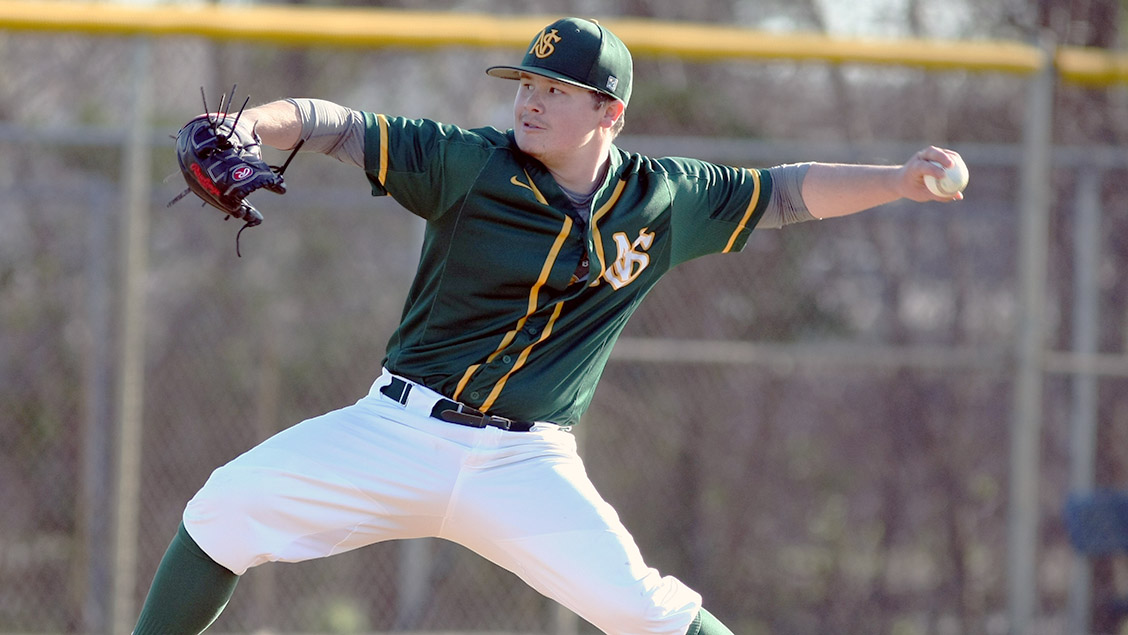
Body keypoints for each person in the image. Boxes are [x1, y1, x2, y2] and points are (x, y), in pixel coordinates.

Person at [134, 16, 966, 635]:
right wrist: (250, 129)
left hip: (526, 461)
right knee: (223, 510)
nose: (528, 101)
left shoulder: (660, 198)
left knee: (650, 611)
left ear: (610, 112)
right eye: (525, 85)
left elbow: (782, 193)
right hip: (398, 427)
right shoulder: (470, 164)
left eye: (554, 90)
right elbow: (333, 123)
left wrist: (898, 179)